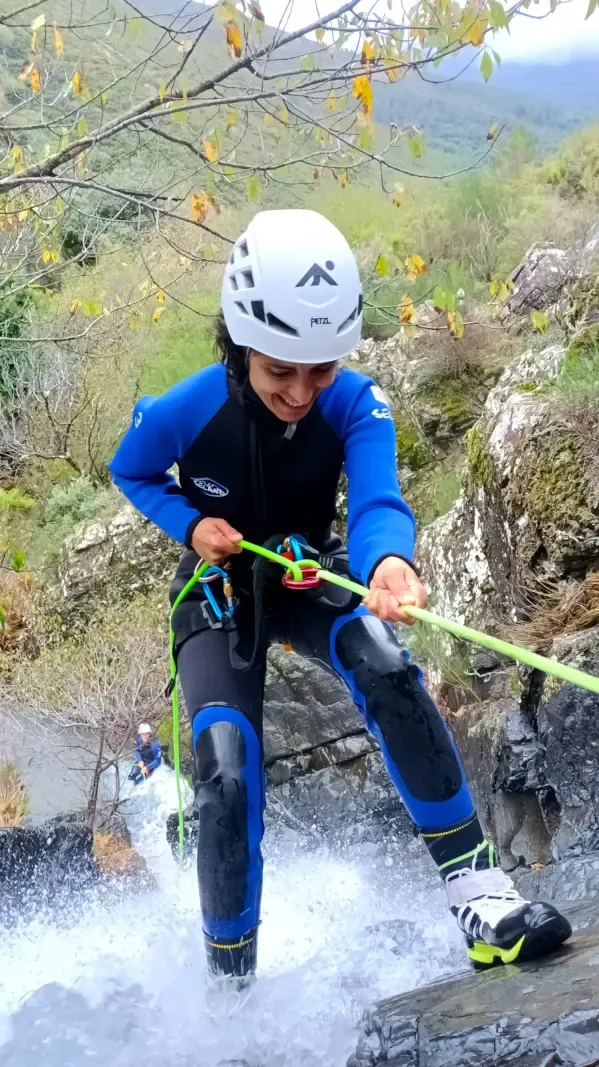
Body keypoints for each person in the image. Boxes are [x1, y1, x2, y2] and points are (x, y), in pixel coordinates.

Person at [109, 209, 571, 984]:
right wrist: (191, 526)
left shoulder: (356, 401)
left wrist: (387, 562)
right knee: (225, 766)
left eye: (319, 369)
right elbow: (133, 472)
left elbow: (378, 500)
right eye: (279, 370)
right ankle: (232, 984)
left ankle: (481, 898)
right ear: (240, 345)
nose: (299, 390)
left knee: (386, 661)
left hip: (305, 569)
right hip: (217, 590)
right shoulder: (185, 408)